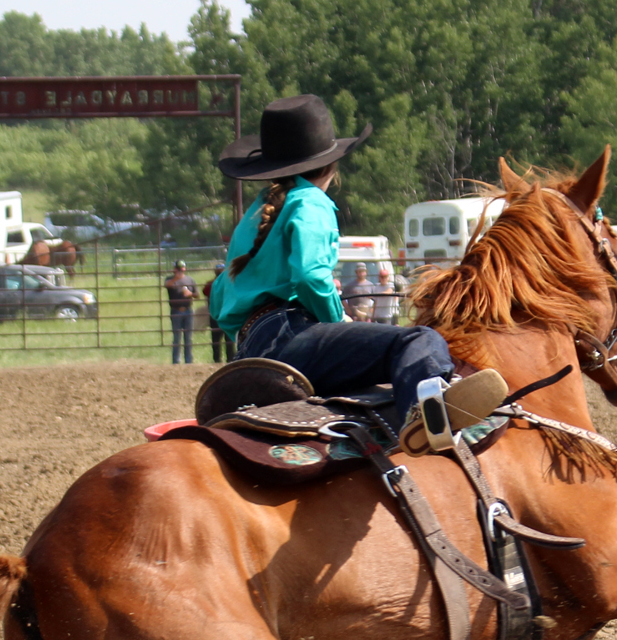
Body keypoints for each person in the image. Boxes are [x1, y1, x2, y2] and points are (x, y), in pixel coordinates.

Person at [209, 94, 503, 449]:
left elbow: (220, 302)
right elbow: (310, 276)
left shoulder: (254, 215)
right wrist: (336, 319)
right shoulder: (311, 201)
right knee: (419, 341)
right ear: (331, 165)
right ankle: (426, 420)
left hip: (249, 351)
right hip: (290, 334)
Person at [164, 260, 198, 364]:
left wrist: (190, 294)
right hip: (176, 311)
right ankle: (176, 361)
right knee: (177, 338)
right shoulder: (170, 279)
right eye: (177, 269)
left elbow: (197, 294)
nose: (179, 271)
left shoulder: (190, 279)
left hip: (188, 310)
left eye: (181, 268)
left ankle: (188, 361)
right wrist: (176, 278)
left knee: (188, 337)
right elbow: (167, 285)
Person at [204, 262, 236, 363]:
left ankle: (225, 359)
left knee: (223, 338)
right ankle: (222, 359)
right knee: (219, 338)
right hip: (222, 314)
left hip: (220, 314)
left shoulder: (214, 284)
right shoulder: (223, 284)